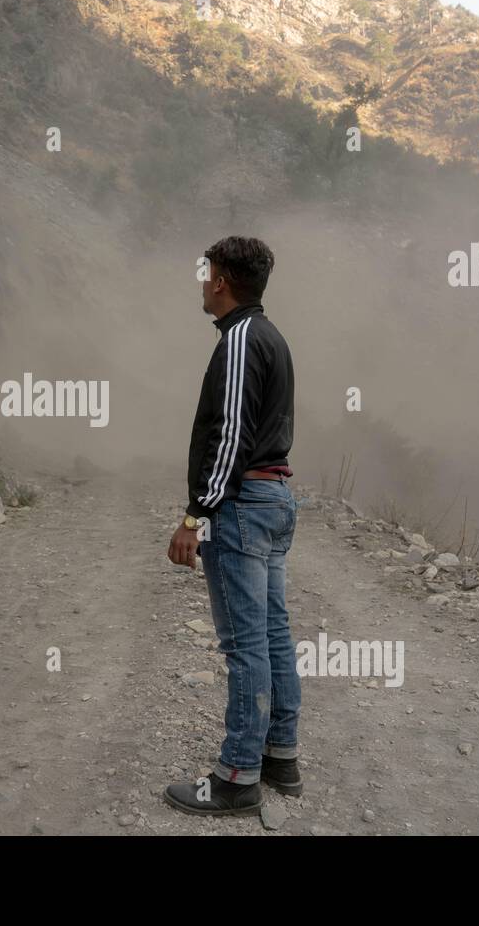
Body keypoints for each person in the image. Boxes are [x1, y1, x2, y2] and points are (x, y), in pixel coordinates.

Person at [164, 235, 301, 816]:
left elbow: (230, 436)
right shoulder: (267, 335)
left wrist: (197, 512)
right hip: (270, 499)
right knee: (271, 635)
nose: (201, 281)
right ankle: (280, 758)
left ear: (221, 280)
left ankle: (237, 778)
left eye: (206, 272)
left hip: (243, 504)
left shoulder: (242, 338)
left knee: (246, 645)